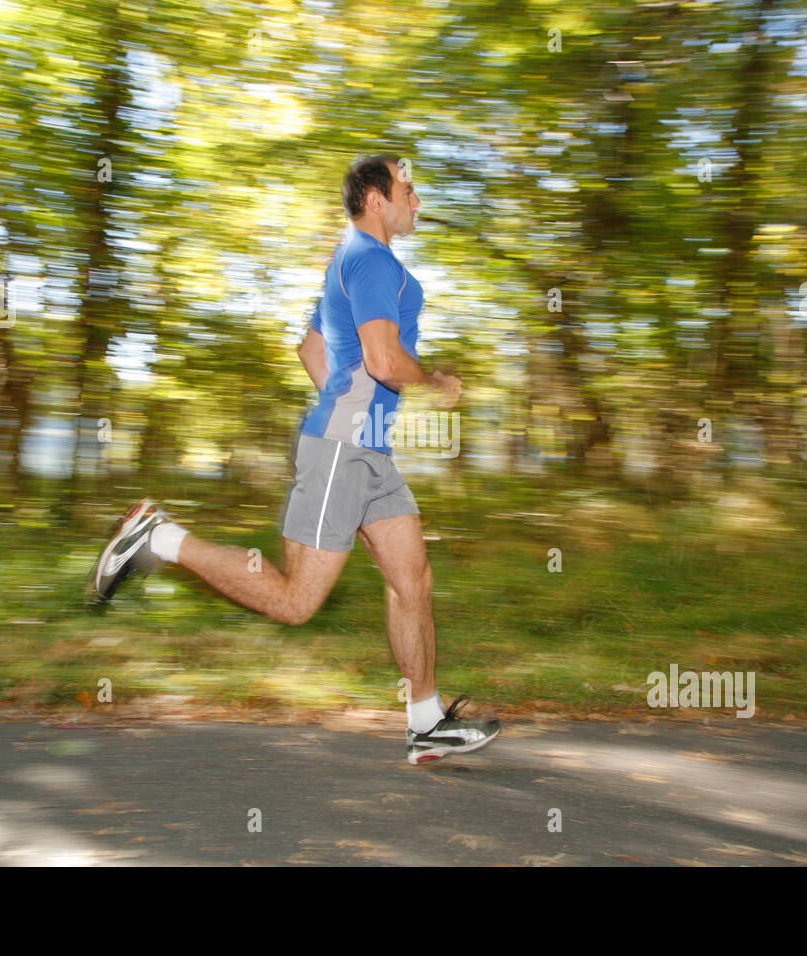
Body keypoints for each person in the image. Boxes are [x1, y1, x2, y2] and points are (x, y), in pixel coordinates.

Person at [87, 154, 499, 765]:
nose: (417, 199)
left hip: (366, 453)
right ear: (376, 200)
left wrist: (348, 407)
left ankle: (425, 720)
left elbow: (311, 349)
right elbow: (385, 363)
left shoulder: (353, 260)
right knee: (296, 601)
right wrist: (432, 378)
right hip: (344, 453)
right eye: (407, 189)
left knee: (412, 579)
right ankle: (158, 537)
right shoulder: (371, 260)